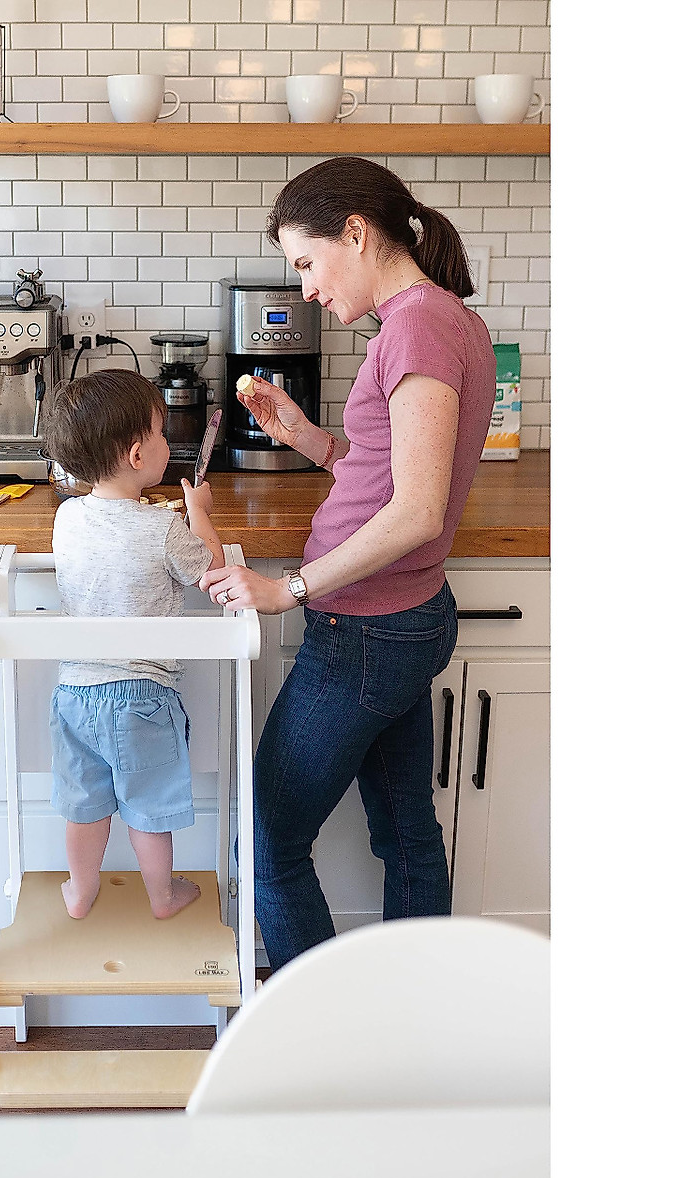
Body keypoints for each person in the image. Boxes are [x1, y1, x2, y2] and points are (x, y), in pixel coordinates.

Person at [200, 155, 497, 972]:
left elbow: (416, 511)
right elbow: (387, 470)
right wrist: (309, 439)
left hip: (365, 630)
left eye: (306, 262)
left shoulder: (418, 325)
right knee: (405, 829)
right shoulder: (437, 316)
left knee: (269, 834)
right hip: (399, 621)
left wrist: (288, 589)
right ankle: (410, 1013)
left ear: (356, 234)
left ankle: (317, 1033)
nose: (304, 291)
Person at [41, 369, 225, 920]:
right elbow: (213, 570)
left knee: (85, 804)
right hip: (140, 696)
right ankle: (163, 897)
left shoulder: (67, 517)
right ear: (139, 454)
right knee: (147, 808)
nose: (171, 442)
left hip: (75, 693)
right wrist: (201, 516)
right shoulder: (164, 530)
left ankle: (80, 890)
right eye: (163, 432)